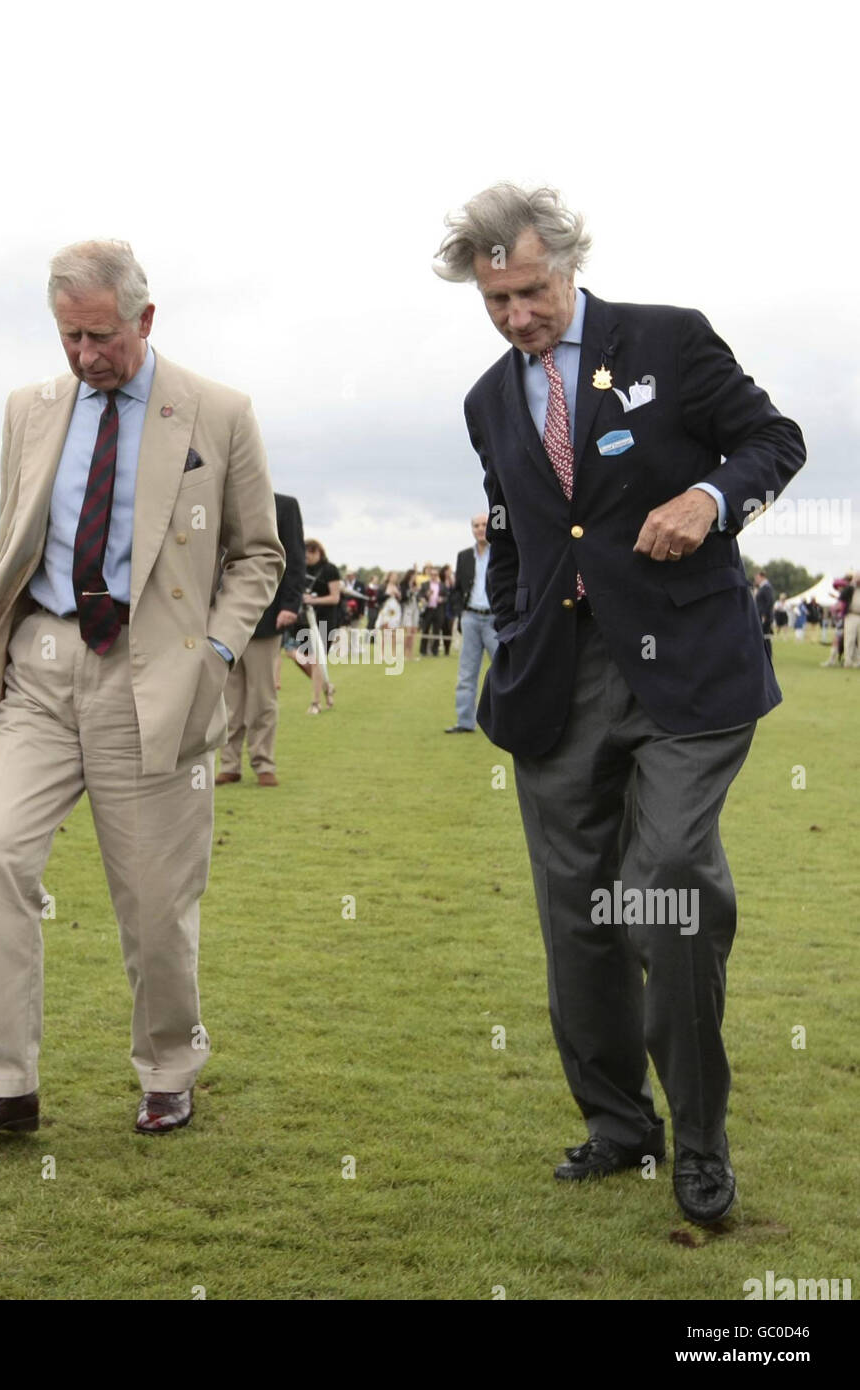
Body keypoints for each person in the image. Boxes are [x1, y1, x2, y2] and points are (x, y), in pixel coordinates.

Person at [434, 182, 805, 1225]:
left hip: (684, 665)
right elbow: (513, 530)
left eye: (529, 291)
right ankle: (617, 1126)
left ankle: (697, 1138)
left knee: (667, 882)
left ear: (566, 260)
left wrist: (708, 499)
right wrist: (506, 629)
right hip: (554, 682)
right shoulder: (484, 401)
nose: (515, 317)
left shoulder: (669, 341)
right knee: (577, 914)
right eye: (494, 300)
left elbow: (774, 440)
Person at [0, 239, 283, 1140]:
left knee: (154, 898)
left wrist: (210, 650)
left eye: (101, 337)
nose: (87, 357)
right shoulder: (28, 409)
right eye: (69, 338)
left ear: (145, 318)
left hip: (154, 675)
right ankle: (4, 1083)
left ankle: (169, 1068)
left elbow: (257, 555)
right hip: (40, 673)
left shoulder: (219, 411)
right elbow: (19, 532)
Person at [216, 493, 305, 787]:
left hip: (266, 618)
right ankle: (229, 764)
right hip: (222, 619)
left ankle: (263, 762)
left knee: (263, 697)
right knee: (229, 701)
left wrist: (290, 606)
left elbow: (294, 558)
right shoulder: (220, 499)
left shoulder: (285, 506)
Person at [445, 515, 498, 732]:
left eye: (484, 525)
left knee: (505, 672)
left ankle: (506, 721)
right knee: (466, 673)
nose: (480, 529)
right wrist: (460, 613)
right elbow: (456, 589)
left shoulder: (503, 552)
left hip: (496, 620)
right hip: (471, 618)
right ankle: (465, 722)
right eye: (476, 525)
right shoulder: (464, 556)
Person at [302, 539, 341, 714]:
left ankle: (315, 703)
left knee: (317, 659)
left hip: (326, 620)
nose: (306, 556)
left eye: (309, 553)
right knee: (300, 656)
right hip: (304, 619)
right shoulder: (301, 568)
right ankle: (327, 687)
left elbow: (335, 597)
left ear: (318, 552)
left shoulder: (330, 569)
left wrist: (313, 600)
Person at [753, 570, 774, 651]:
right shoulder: (762, 587)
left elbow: (769, 602)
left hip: (764, 616)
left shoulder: (767, 587)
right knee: (762, 636)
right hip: (761, 615)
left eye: (757, 578)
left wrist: (765, 615)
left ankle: (768, 654)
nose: (756, 580)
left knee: (765, 636)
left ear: (762, 577)